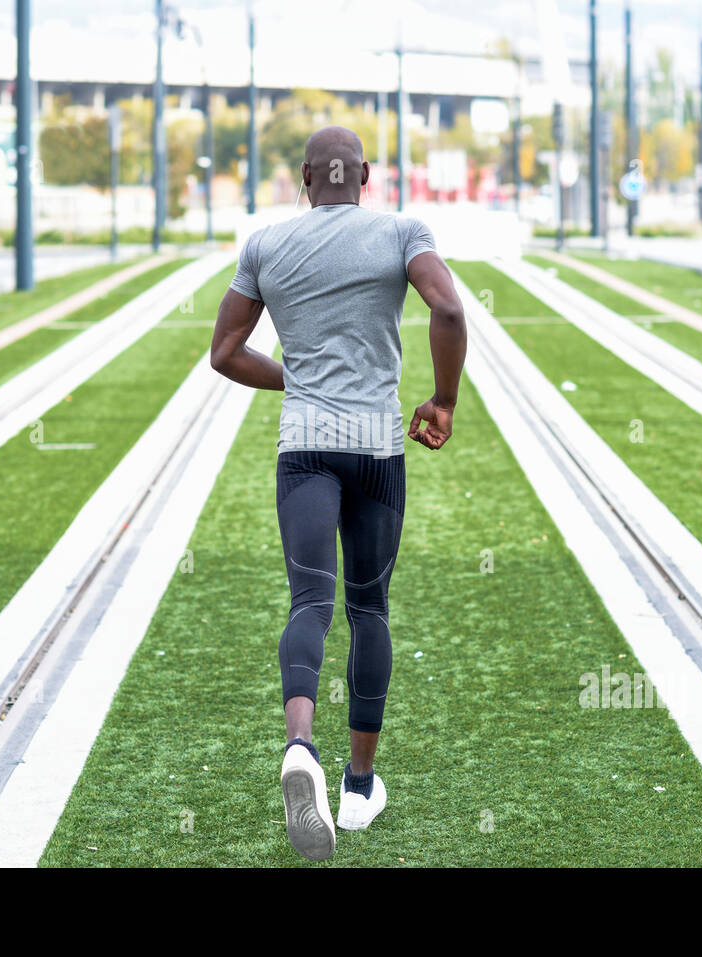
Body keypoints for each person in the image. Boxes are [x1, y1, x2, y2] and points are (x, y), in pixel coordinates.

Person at [210, 125, 466, 862]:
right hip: (378, 447)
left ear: (303, 178)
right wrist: (442, 400)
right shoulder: (400, 230)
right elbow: (447, 310)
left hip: (305, 447)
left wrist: (299, 379)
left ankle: (300, 746)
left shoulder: (265, 244)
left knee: (309, 602)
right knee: (369, 607)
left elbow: (225, 352)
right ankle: (358, 787)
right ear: (365, 176)